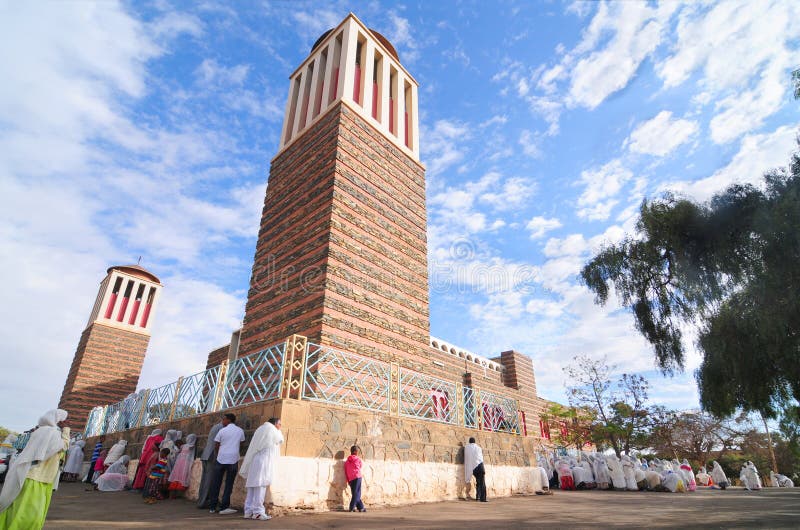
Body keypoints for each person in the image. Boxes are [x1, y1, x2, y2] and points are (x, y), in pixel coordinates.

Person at [0, 409, 70, 530]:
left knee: (21, 511)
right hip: (35, 478)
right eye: (65, 419)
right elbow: (62, 446)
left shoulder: (42, 431)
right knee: (28, 515)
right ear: (59, 420)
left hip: (38, 477)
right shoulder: (50, 432)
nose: (68, 421)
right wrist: (66, 430)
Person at [240, 418, 284, 520]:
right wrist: (278, 430)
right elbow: (280, 439)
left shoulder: (260, 429)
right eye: (279, 424)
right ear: (275, 423)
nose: (280, 426)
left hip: (256, 460)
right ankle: (258, 512)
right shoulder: (272, 429)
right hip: (264, 461)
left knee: (252, 487)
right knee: (260, 486)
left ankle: (248, 511)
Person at [208, 413, 245, 515]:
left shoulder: (222, 431)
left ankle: (212, 507)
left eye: (224, 419)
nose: (222, 421)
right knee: (229, 484)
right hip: (233, 459)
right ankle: (224, 507)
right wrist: (235, 452)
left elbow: (216, 445)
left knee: (216, 483)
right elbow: (242, 444)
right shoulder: (240, 430)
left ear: (229, 420)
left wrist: (219, 454)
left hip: (221, 458)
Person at [196, 421, 224, 509]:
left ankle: (202, 500)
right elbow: (217, 443)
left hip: (206, 454)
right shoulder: (222, 428)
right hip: (211, 455)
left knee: (204, 480)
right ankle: (205, 502)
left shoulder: (216, 426)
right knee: (209, 481)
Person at [344, 445, 366, 513]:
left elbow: (346, 471)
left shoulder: (347, 461)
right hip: (357, 477)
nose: (358, 452)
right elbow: (360, 466)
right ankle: (352, 507)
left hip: (350, 478)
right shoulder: (357, 459)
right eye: (358, 451)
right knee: (357, 494)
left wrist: (348, 480)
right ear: (355, 452)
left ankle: (361, 507)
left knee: (355, 493)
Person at [464, 437, 486, 502]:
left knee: (478, 482)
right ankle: (483, 498)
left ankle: (478, 497)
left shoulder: (467, 448)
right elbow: (480, 458)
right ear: (474, 442)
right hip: (479, 466)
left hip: (472, 468)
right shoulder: (478, 448)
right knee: (482, 483)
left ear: (469, 442)